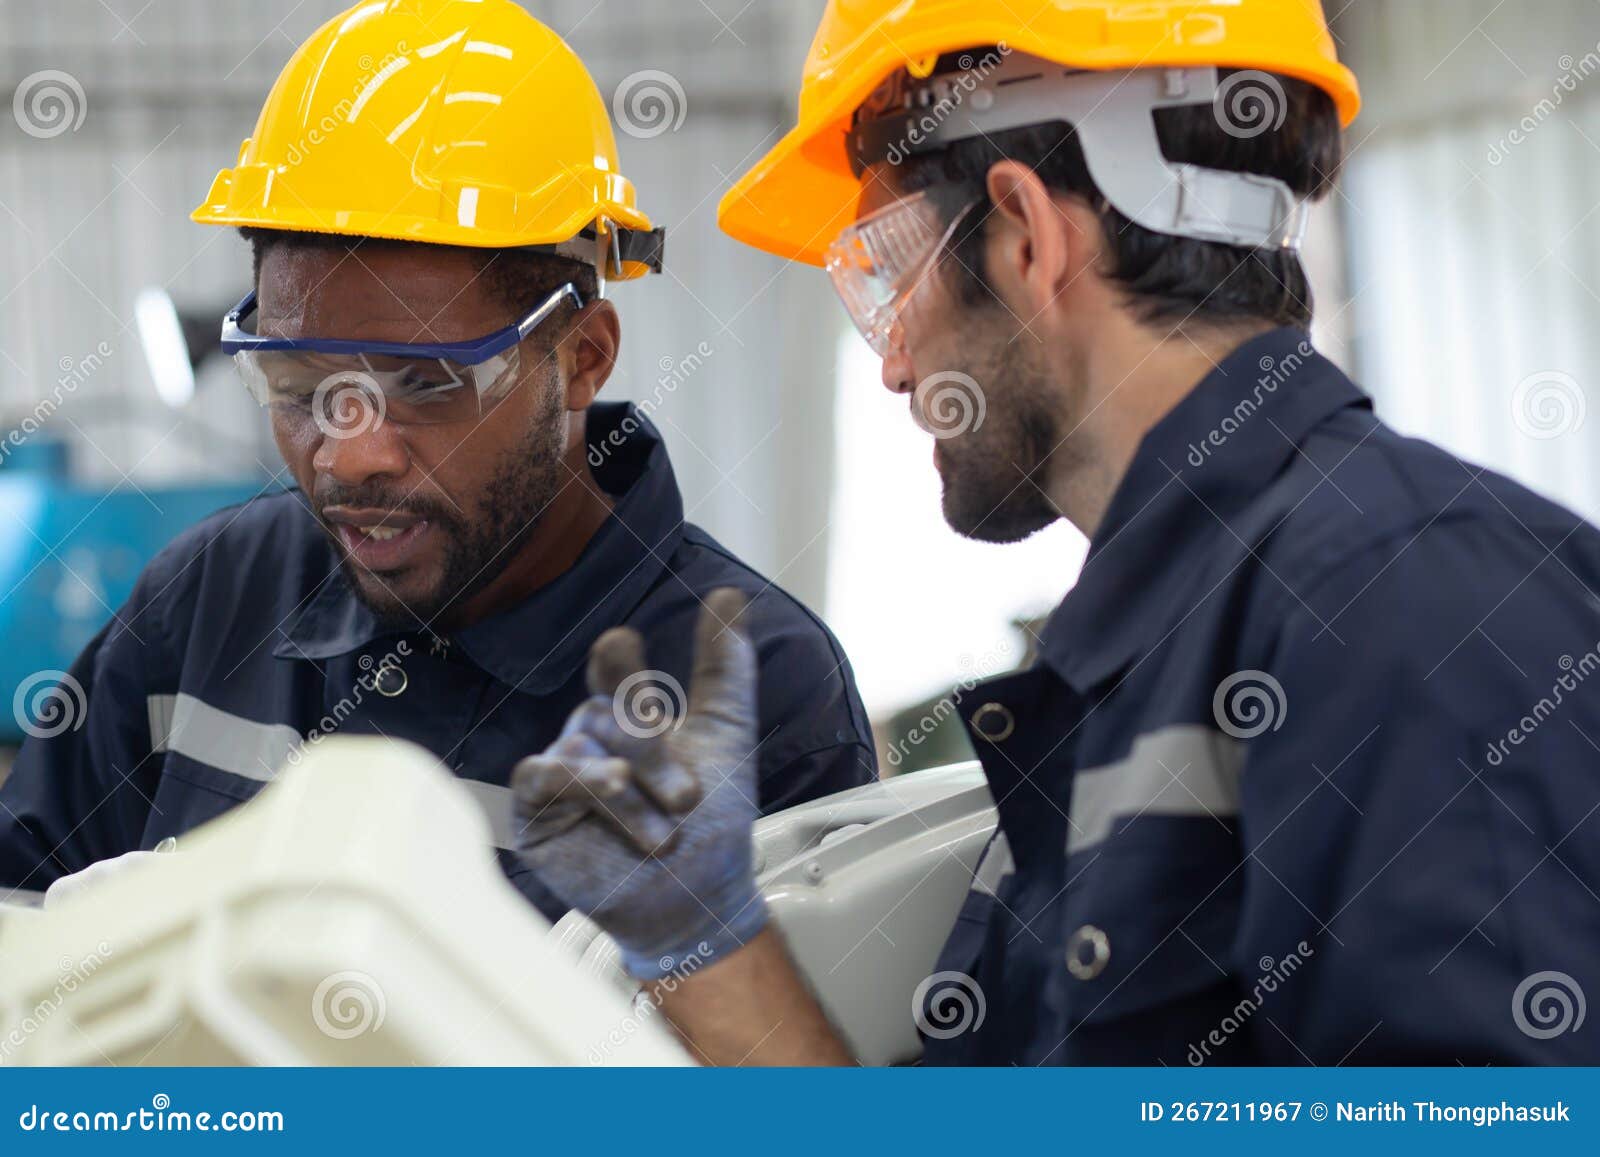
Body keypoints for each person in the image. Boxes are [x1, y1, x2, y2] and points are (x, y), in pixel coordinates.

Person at [510, 0, 1600, 1064]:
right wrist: (701, 935)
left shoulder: (1400, 595)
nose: (891, 362)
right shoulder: (1158, 650)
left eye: (886, 276)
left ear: (1026, 233)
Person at [0, 0, 874, 918]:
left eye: (424, 382)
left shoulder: (754, 694)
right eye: (299, 383)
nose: (349, 456)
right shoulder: (211, 600)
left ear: (581, 356)